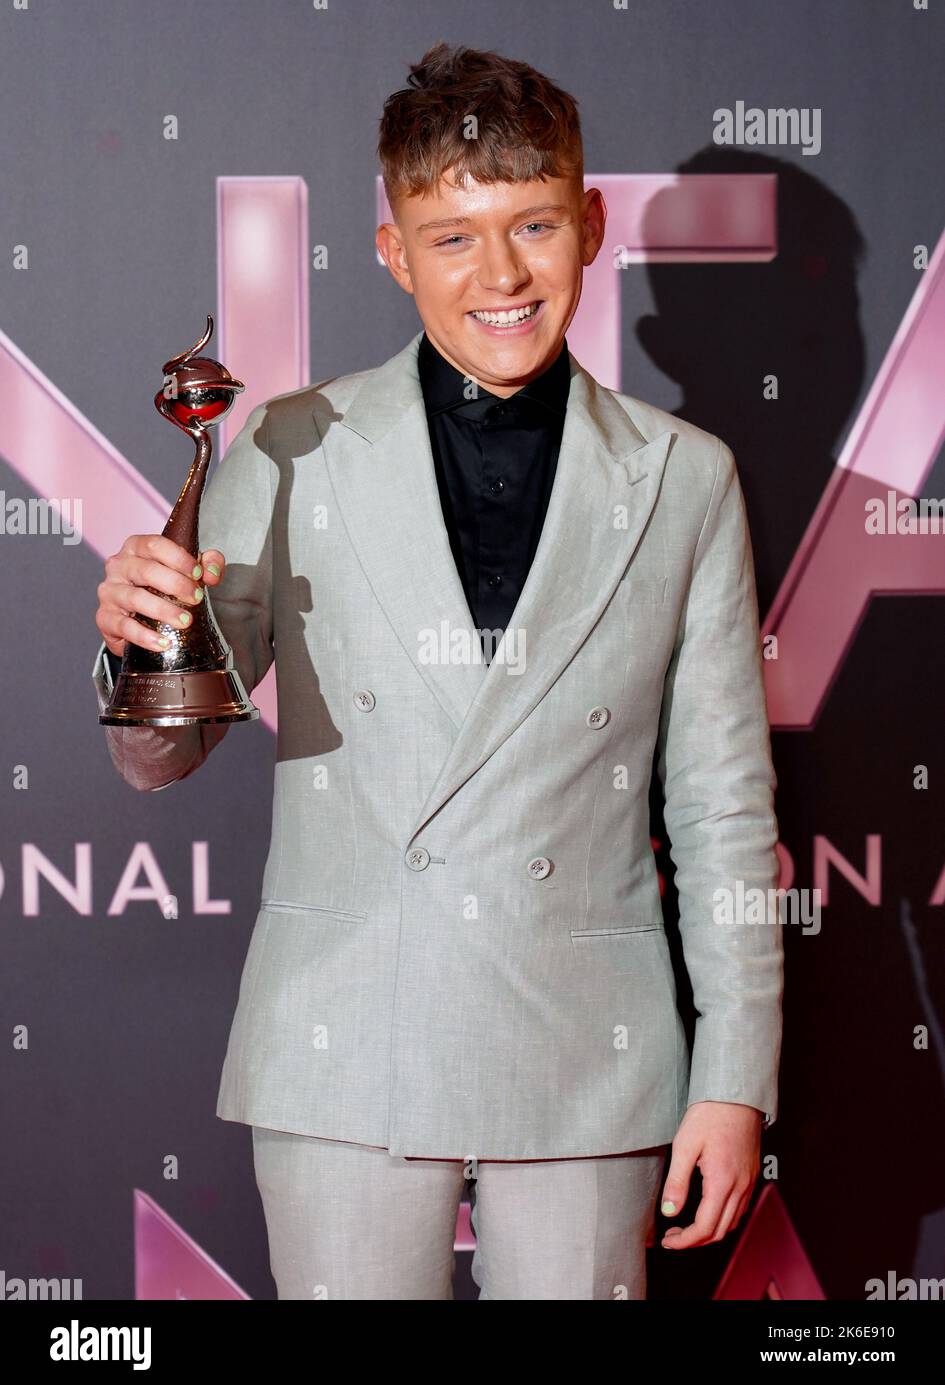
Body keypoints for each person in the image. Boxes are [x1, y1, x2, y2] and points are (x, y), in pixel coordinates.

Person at [92, 42, 782, 1300]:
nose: (502, 274)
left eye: (531, 225)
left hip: (589, 1048)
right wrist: (144, 644)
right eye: (452, 237)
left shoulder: (685, 477)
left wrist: (734, 1074)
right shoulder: (291, 448)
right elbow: (160, 753)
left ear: (590, 222)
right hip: (346, 1035)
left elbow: (726, 812)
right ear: (392, 253)